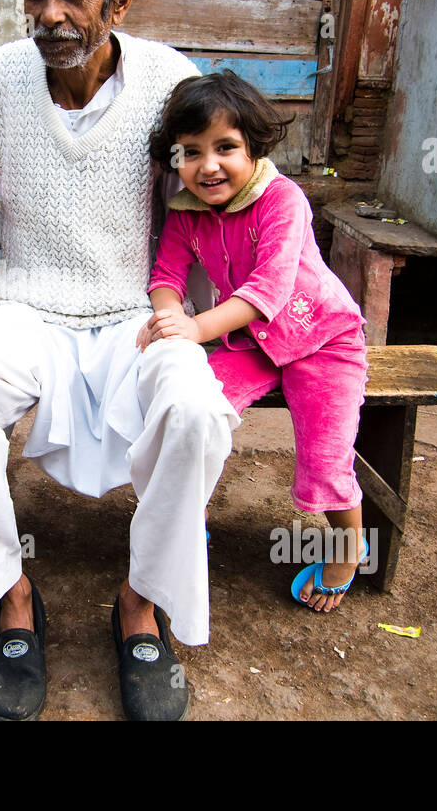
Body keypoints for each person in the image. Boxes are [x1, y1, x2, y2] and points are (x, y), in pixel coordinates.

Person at [0, 0, 240, 722]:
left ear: (117, 2)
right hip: (27, 307)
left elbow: (227, 188)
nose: (49, 13)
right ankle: (12, 599)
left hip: (139, 308)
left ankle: (141, 603)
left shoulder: (173, 83)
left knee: (198, 410)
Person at [144, 71, 370, 613]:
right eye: (191, 153)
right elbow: (165, 278)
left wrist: (196, 328)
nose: (209, 166)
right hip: (248, 342)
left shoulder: (281, 198)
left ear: (255, 148)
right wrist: (169, 320)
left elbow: (267, 290)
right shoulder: (186, 213)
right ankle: (187, 526)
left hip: (323, 338)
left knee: (325, 457)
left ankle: (349, 549)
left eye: (226, 147)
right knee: (192, 415)